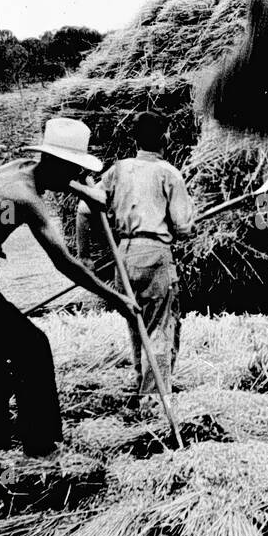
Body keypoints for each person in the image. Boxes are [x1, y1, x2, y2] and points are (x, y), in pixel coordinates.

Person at [0, 117, 138, 456]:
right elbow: (64, 262)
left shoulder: (23, 170)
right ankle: (39, 447)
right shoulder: (24, 198)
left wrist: (83, 190)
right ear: (55, 163)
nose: (73, 177)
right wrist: (114, 298)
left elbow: (49, 183)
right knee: (31, 348)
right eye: (71, 170)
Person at [73, 111, 196, 405]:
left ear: (135, 139)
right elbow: (182, 228)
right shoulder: (169, 174)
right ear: (165, 138)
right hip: (154, 256)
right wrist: (191, 223)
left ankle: (143, 386)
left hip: (123, 256)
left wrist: (84, 256)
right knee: (160, 328)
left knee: (138, 326)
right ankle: (154, 401)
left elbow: (84, 209)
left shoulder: (118, 171)